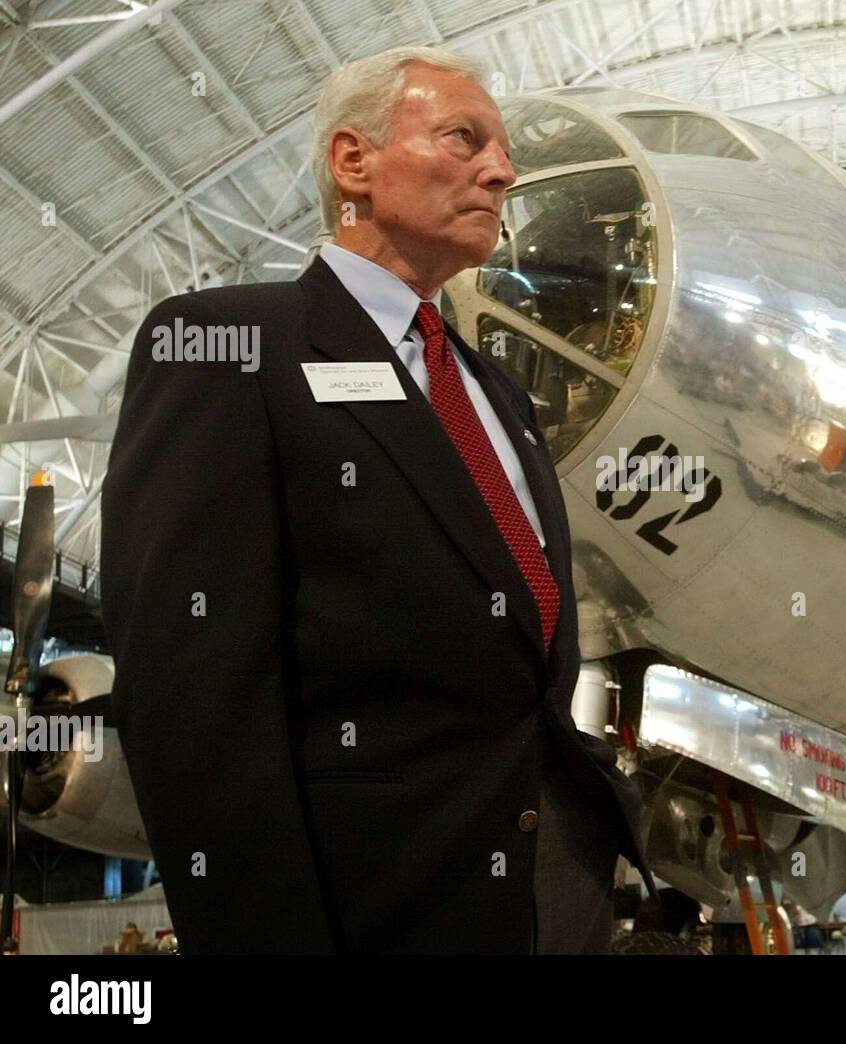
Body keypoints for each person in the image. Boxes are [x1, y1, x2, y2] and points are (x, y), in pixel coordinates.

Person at [100, 45, 655, 955]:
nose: (504, 171)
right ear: (353, 162)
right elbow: (193, 703)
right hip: (381, 910)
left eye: (503, 152)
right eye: (464, 138)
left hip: (559, 897)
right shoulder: (223, 347)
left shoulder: (500, 398)